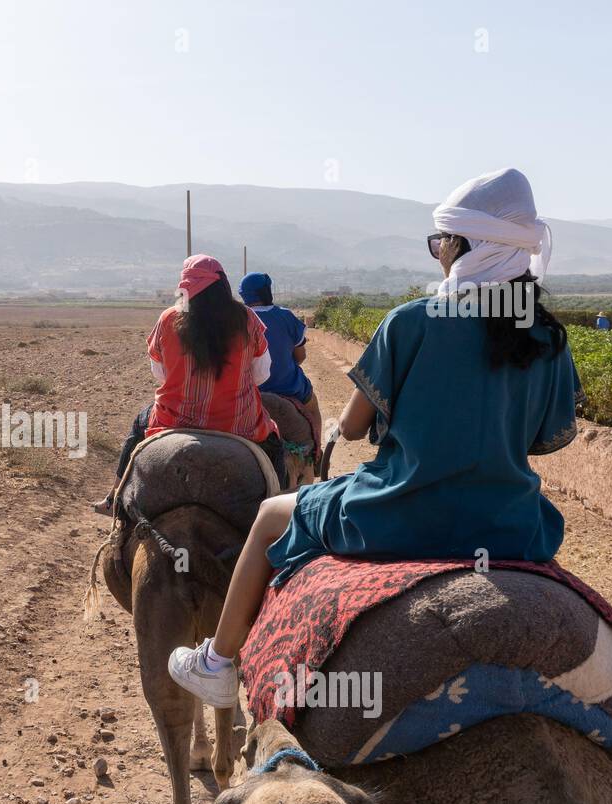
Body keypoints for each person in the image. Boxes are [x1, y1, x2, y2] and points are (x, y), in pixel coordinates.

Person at [168, 168, 582, 708]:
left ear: (464, 247)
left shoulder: (413, 321)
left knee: (271, 514)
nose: (438, 252)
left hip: (397, 512)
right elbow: (547, 438)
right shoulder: (548, 336)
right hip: (511, 526)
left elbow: (358, 426)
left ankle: (218, 665)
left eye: (441, 242)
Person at [92, 254, 283, 515]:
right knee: (274, 443)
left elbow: (160, 373)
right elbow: (261, 375)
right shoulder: (247, 319)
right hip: (239, 424)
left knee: (139, 424)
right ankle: (283, 519)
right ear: (223, 285)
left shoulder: (168, 318)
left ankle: (114, 499)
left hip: (173, 420)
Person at [239, 272, 323, 463]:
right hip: (288, 387)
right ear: (267, 291)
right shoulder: (285, 316)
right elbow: (300, 356)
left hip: (248, 391)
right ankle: (316, 453)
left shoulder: (238, 319)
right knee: (313, 406)